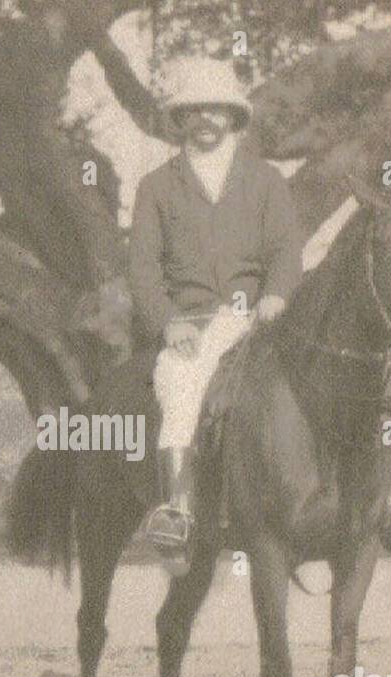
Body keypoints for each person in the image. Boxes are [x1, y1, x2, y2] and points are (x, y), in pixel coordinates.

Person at [129, 58, 303, 563]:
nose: (205, 118)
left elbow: (286, 250)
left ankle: (381, 499)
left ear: (233, 117)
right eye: (193, 110)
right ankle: (178, 511)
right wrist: (168, 322)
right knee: (180, 383)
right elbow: (142, 268)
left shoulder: (267, 180)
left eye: (216, 109)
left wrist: (277, 294)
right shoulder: (156, 187)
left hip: (259, 319)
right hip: (194, 325)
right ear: (180, 120)